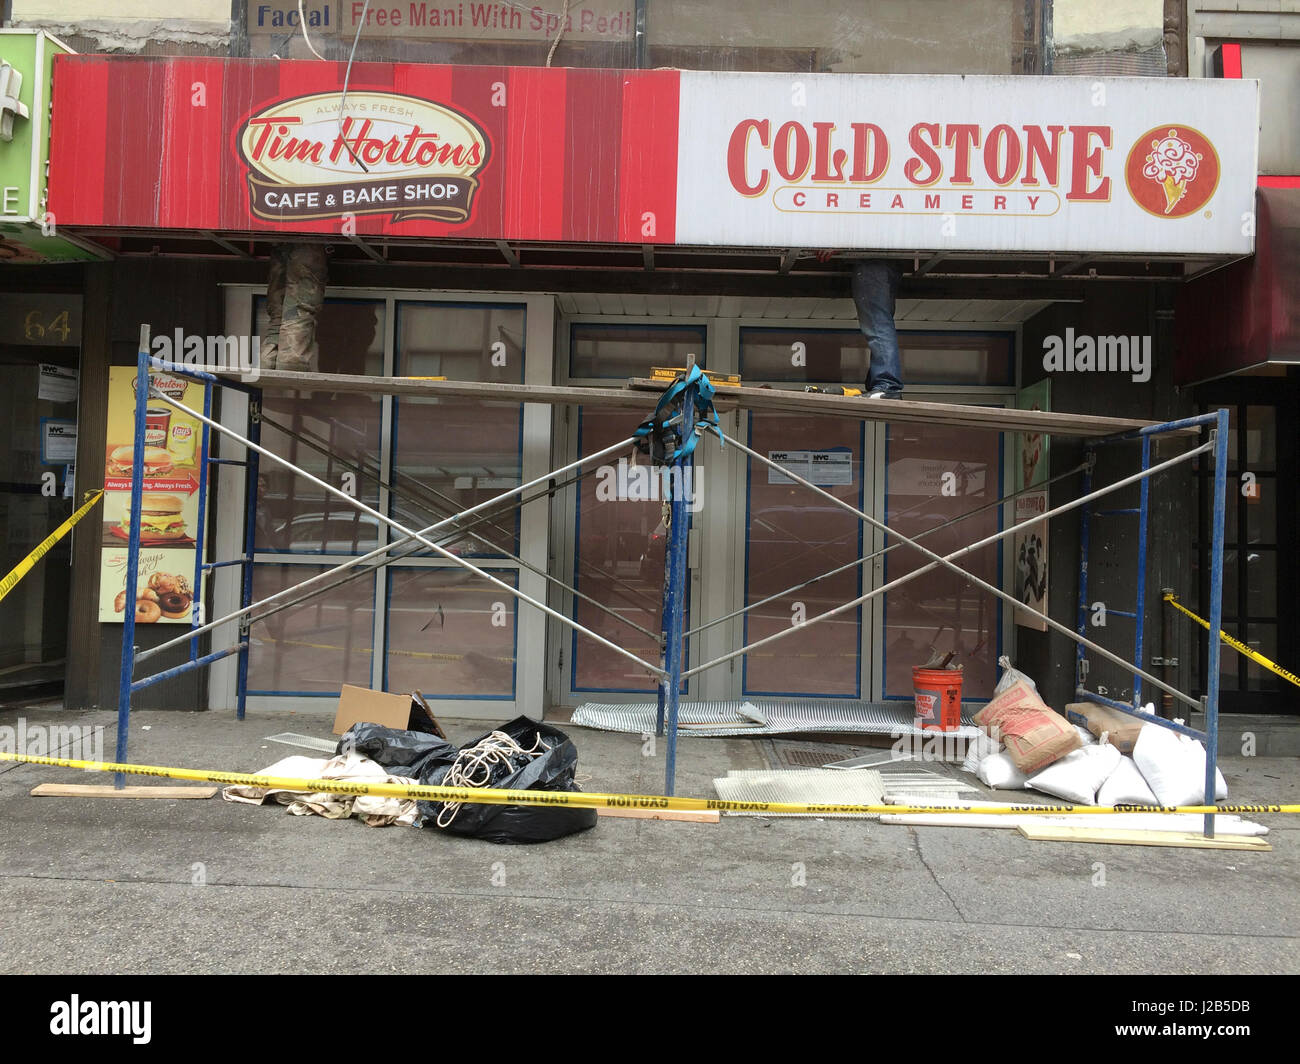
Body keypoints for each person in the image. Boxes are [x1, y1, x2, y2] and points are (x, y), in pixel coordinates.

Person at [261, 244, 328, 371]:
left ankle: (269, 357)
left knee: (278, 316)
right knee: (299, 310)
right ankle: (291, 358)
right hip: (308, 237)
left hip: (280, 236)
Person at [851, 258, 905, 399]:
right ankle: (880, 386)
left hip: (873, 259)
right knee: (880, 320)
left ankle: (886, 385)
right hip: (886, 259)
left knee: (877, 321)